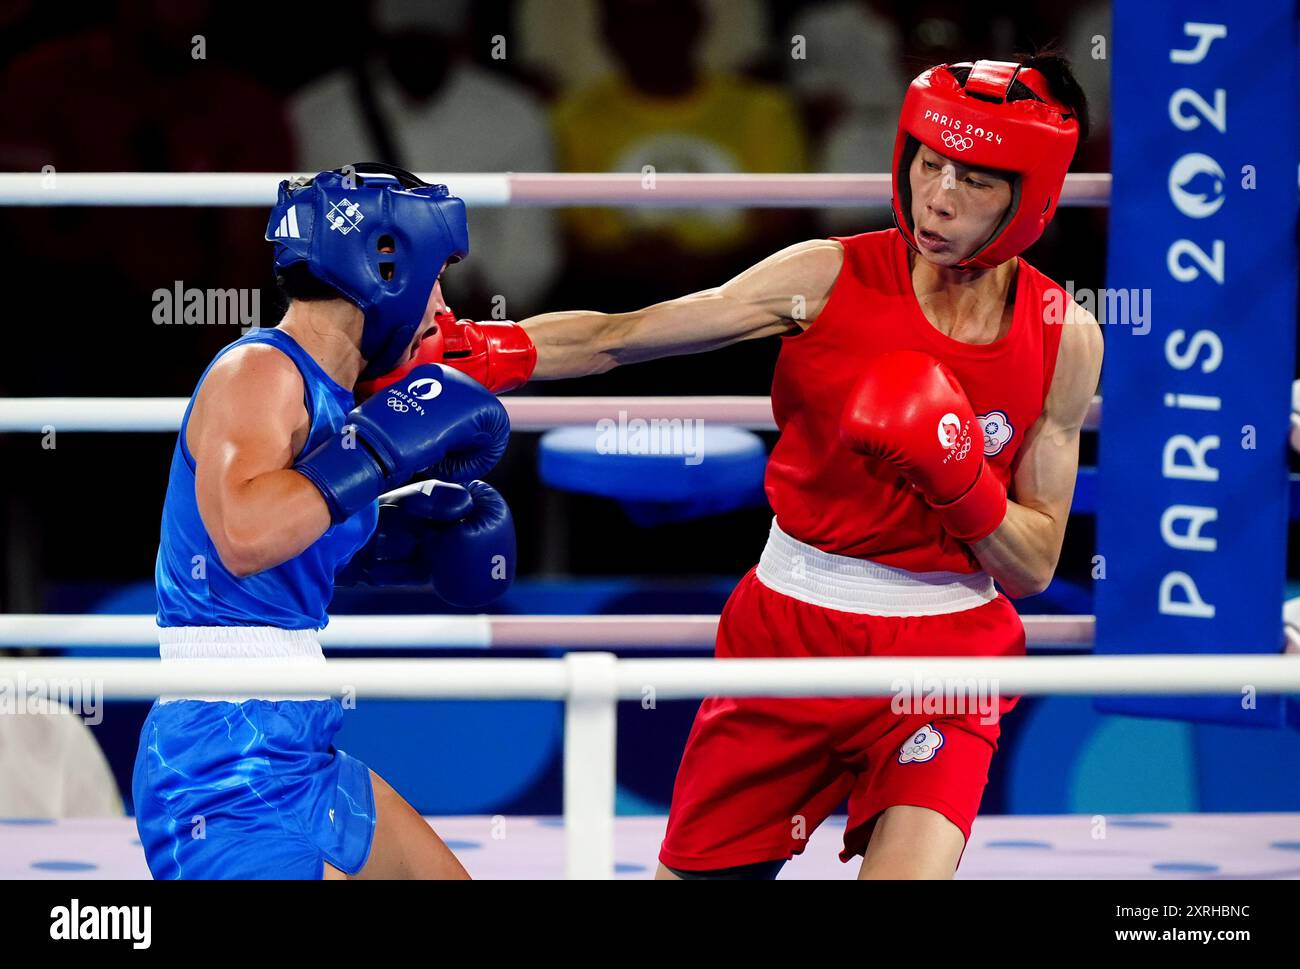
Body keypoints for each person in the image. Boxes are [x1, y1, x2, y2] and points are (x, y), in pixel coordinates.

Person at [366, 53, 1103, 880]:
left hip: (948, 655)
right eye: (930, 163)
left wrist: (959, 479)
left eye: (973, 180)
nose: (937, 197)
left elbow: (1035, 564)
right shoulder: (825, 276)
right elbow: (624, 336)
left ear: (1031, 195)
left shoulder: (1062, 334)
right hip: (789, 635)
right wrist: (492, 350)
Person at [133, 163, 516, 880]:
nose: (442, 303)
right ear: (387, 265)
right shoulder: (258, 371)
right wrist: (378, 448)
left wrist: (402, 538)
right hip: (223, 760)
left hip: (300, 743)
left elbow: (293, 540)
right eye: (435, 275)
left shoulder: (334, 401)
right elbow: (244, 535)